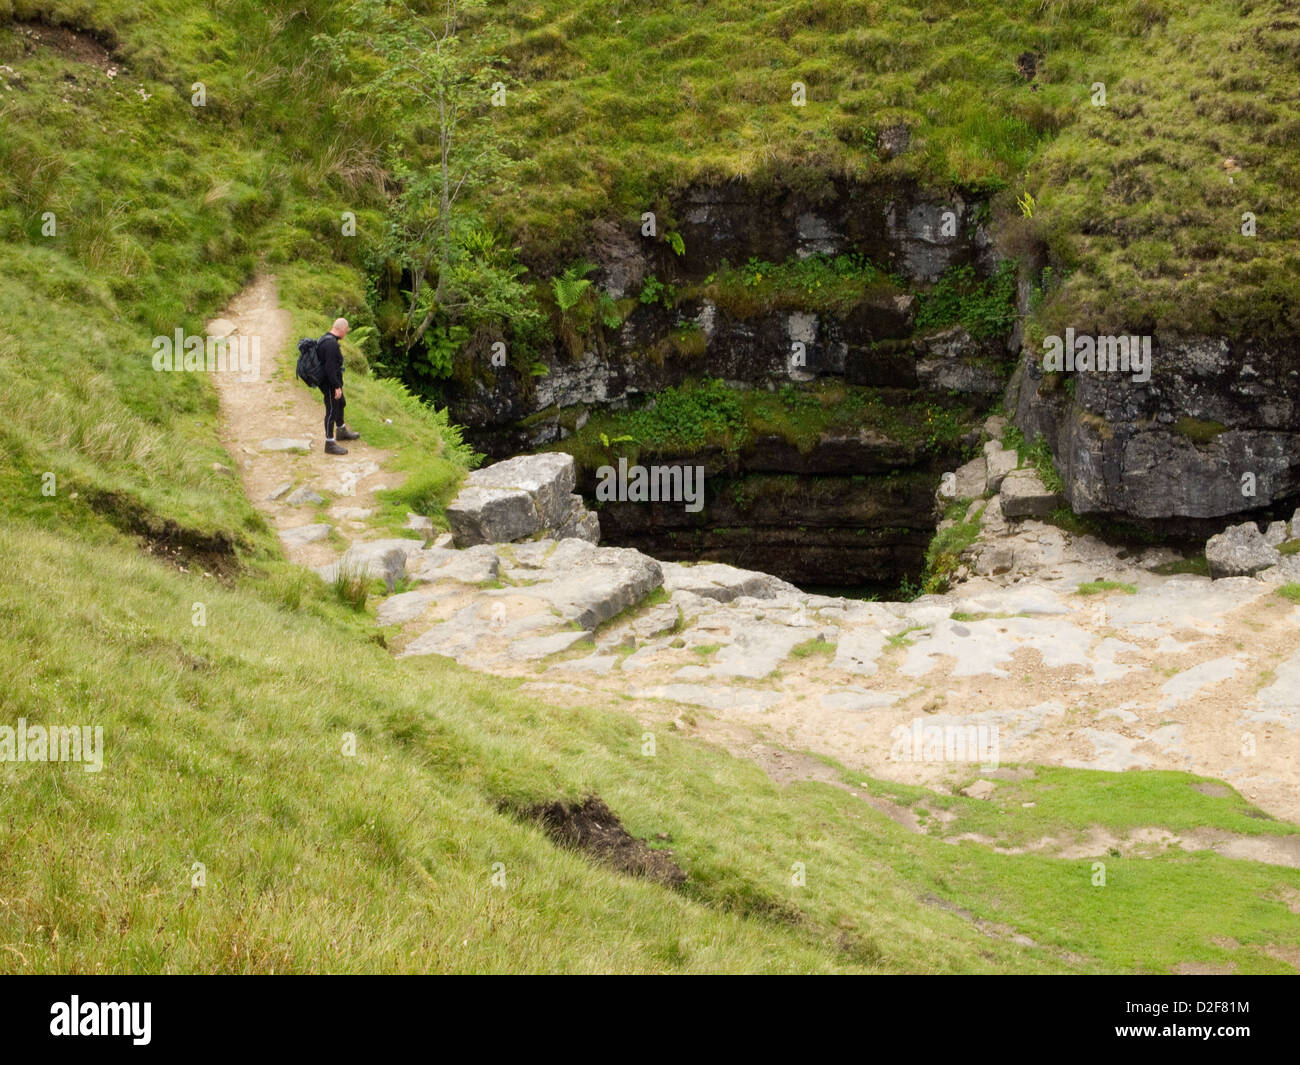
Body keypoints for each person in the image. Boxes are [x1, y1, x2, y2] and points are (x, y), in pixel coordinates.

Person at [317, 318, 361, 455]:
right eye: (346, 330)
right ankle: (329, 444)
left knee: (341, 403)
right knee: (331, 411)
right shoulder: (331, 345)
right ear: (342, 329)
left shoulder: (325, 338)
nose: (346, 333)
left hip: (330, 381)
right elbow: (329, 368)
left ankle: (341, 431)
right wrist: (336, 386)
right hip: (329, 383)